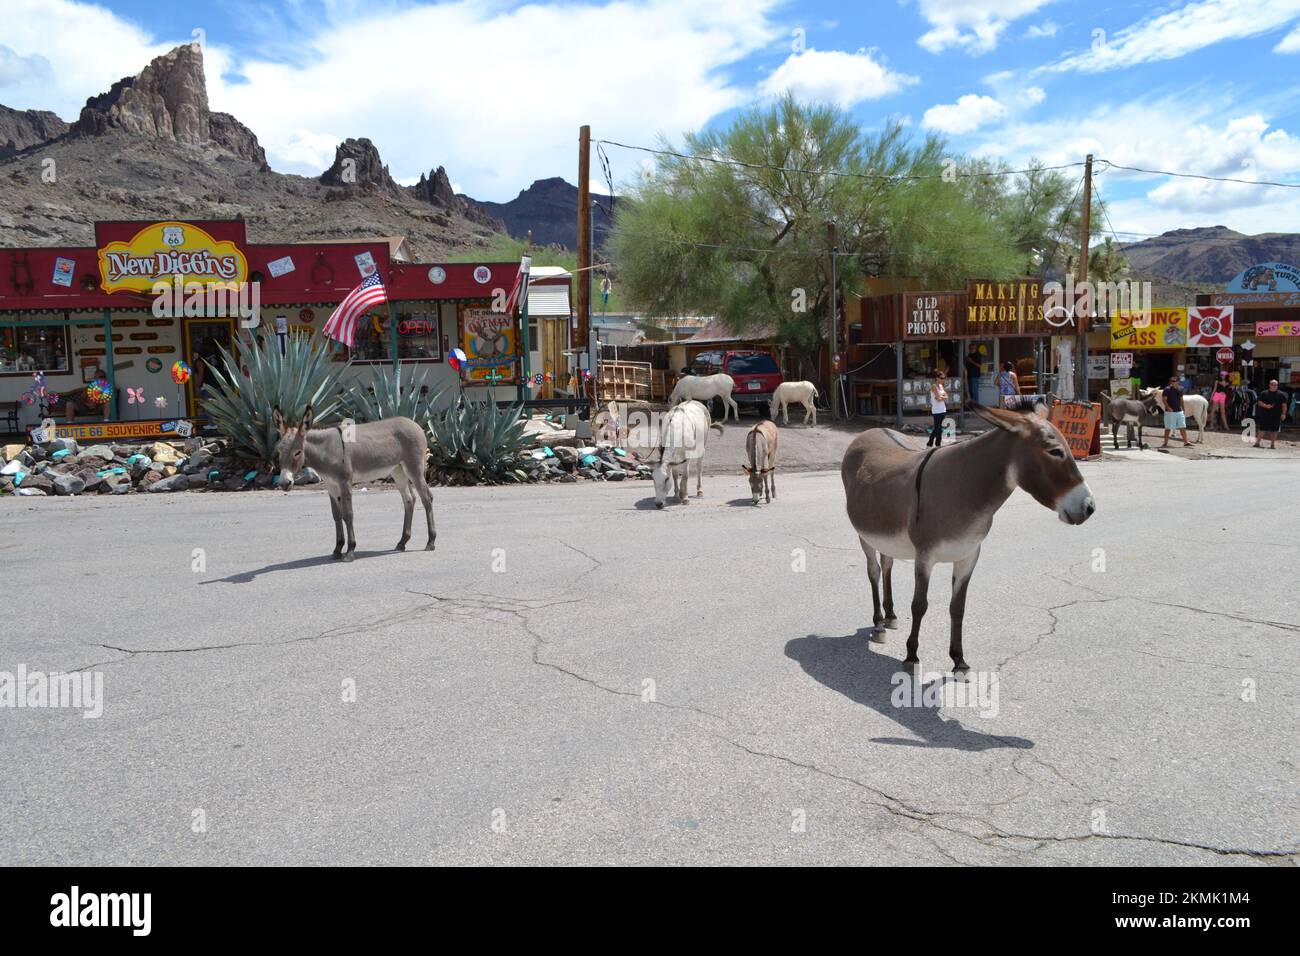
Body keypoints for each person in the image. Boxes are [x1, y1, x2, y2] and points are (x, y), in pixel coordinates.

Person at [1160, 375, 1193, 448]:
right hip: (1170, 412)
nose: (1173, 382)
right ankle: (1165, 443)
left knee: (1183, 427)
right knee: (1168, 428)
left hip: (1179, 411)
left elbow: (1181, 400)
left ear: (1178, 381)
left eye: (1174, 381)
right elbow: (1164, 399)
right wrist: (1168, 407)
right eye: (1171, 381)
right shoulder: (1167, 389)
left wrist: (1183, 409)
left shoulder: (1180, 389)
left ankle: (1186, 442)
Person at [1253, 379, 1287, 449]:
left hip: (1276, 415)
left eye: (1276, 385)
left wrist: (1283, 414)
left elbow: (1284, 405)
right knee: (1262, 429)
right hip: (1265, 414)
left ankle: (1272, 444)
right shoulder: (1264, 393)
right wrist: (1265, 405)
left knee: (1274, 430)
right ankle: (1257, 443)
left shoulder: (1281, 395)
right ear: (1269, 385)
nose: (1274, 386)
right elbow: (1259, 402)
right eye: (1272, 384)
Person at [926, 370, 948, 447]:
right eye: (941, 378)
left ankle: (938, 444)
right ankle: (929, 442)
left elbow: (946, 396)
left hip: (943, 409)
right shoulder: (934, 386)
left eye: (944, 378)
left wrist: (940, 397)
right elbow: (938, 398)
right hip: (936, 410)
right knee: (937, 428)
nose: (943, 380)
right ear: (937, 378)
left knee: (940, 428)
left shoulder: (941, 386)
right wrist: (941, 397)